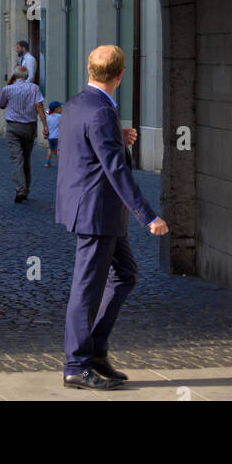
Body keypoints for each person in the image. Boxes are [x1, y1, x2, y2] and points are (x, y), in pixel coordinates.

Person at [55, 44, 169, 391]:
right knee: (86, 290)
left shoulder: (78, 103)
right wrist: (148, 216)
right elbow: (115, 170)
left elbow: (77, 141)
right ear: (121, 76)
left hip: (95, 210)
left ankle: (96, 351)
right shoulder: (102, 111)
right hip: (96, 212)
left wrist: (116, 138)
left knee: (125, 275)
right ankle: (76, 364)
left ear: (90, 71)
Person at [0, 66, 48, 202]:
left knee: (17, 159)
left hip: (13, 126)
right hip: (29, 126)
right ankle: (26, 189)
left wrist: (7, 85)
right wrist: (45, 125)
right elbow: (39, 106)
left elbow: (1, 105)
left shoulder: (7, 89)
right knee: (26, 158)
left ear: (14, 75)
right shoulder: (34, 88)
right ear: (26, 75)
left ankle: (21, 189)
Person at [45, 101, 62, 167]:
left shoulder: (48, 118)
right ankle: (62, 164)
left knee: (50, 149)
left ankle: (47, 162)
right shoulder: (60, 117)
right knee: (58, 150)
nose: (61, 109)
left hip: (50, 137)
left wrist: (46, 135)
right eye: (60, 107)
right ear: (56, 109)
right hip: (57, 136)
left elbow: (46, 127)